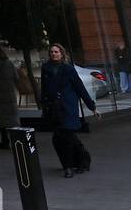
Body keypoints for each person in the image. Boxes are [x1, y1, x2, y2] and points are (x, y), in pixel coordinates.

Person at [40, 43, 97, 177]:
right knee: (62, 137)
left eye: (56, 52)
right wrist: (44, 103)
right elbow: (44, 87)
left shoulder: (68, 69)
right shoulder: (46, 68)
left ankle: (68, 167)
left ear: (62, 53)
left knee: (65, 136)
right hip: (54, 108)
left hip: (67, 107)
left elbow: (80, 88)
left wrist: (92, 107)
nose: (54, 54)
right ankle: (82, 160)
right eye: (52, 52)